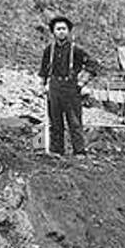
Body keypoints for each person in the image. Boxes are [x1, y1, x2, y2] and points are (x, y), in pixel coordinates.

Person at [38, 16, 100, 156]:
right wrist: (42, 85)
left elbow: (93, 64)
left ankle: (79, 151)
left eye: (64, 29)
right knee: (55, 121)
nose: (61, 32)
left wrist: (81, 82)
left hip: (71, 88)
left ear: (68, 31)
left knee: (74, 122)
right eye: (58, 29)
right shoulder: (49, 50)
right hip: (54, 88)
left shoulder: (76, 50)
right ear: (53, 32)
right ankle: (56, 151)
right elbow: (43, 69)